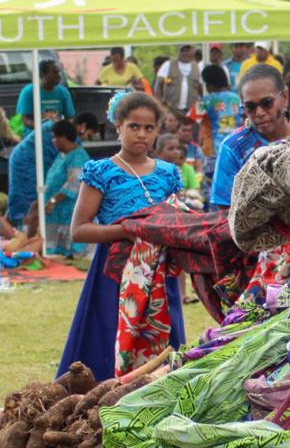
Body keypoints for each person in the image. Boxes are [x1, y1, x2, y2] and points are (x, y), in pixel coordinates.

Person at [59, 92, 184, 381]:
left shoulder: (168, 174)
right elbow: (79, 229)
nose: (141, 134)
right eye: (134, 126)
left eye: (149, 128)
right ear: (118, 126)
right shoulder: (101, 171)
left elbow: (178, 222)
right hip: (113, 274)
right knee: (107, 339)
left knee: (163, 344)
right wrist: (129, 230)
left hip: (160, 274)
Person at [209, 64, 290, 210]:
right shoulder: (233, 148)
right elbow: (226, 211)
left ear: (284, 97)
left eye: (267, 103)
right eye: (250, 106)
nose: (259, 113)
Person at [38, 119, 89, 258]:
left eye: (55, 137)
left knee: (68, 249)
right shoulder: (62, 155)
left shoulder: (78, 156)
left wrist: (53, 200)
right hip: (55, 209)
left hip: (68, 208)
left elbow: (73, 184)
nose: (53, 141)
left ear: (64, 137)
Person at [195, 64, 242, 160]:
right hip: (237, 146)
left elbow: (188, 120)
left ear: (210, 84)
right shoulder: (237, 98)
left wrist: (168, 106)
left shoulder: (206, 100)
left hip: (214, 150)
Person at [16, 59, 75, 130]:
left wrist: (62, 131)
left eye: (59, 72)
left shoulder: (63, 92)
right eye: (55, 72)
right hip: (34, 135)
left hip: (56, 135)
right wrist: (43, 130)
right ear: (42, 75)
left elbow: (70, 118)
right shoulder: (29, 91)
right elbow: (25, 119)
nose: (58, 76)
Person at [154, 45, 203, 114]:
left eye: (187, 50)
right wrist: (161, 104)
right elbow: (158, 86)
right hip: (170, 110)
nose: (185, 53)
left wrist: (200, 109)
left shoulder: (198, 67)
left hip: (191, 111)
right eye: (182, 50)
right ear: (178, 51)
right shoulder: (168, 65)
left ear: (193, 51)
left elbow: (201, 89)